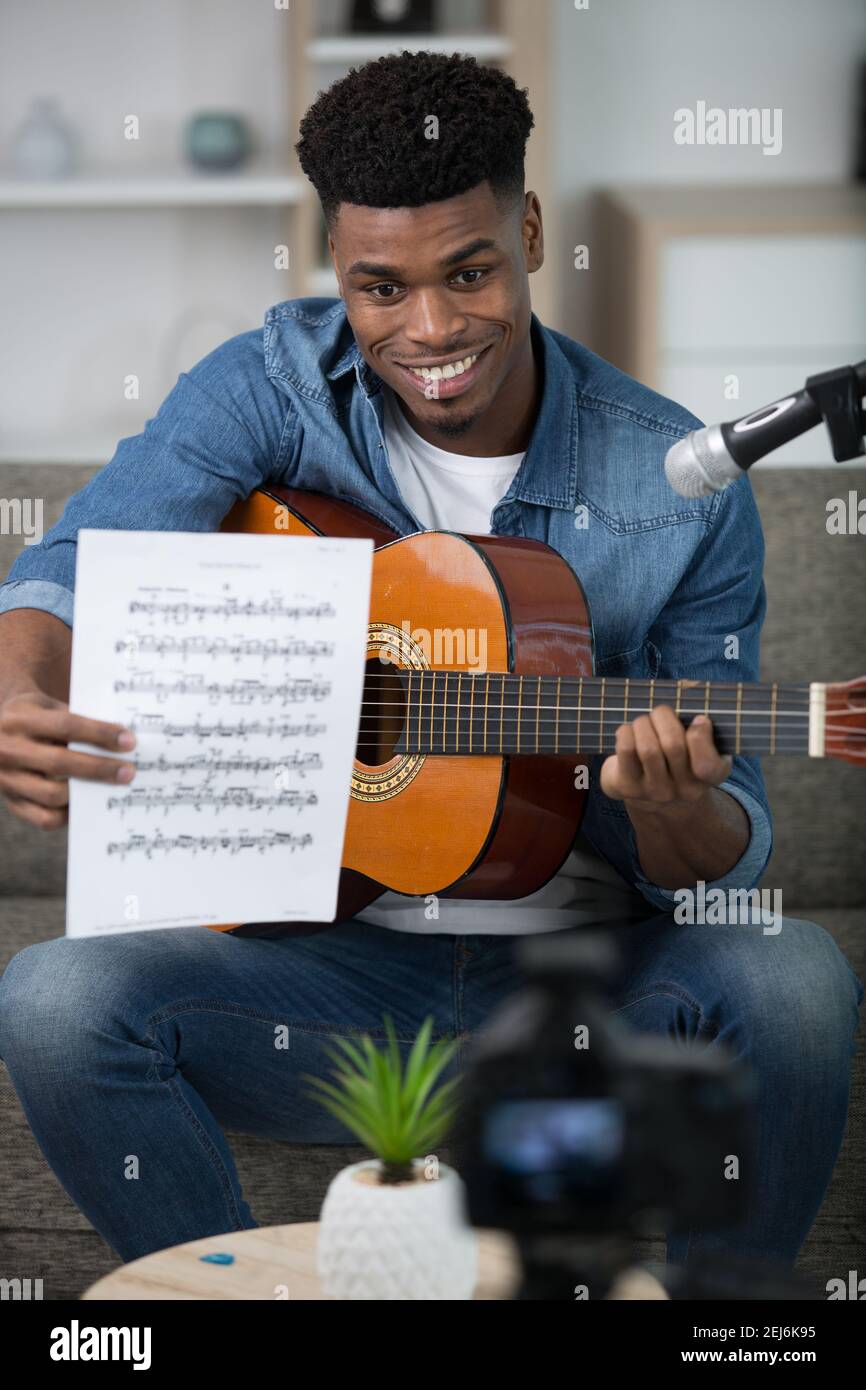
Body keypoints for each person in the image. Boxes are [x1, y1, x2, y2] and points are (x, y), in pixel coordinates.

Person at [0, 52, 860, 1274]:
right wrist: (19, 689)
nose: (431, 329)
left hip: (584, 984)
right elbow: (81, 550)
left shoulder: (678, 481)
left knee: (797, 981)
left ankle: (719, 1336)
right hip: (322, 977)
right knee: (51, 997)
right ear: (335, 274)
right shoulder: (269, 386)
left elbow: (722, 852)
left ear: (528, 229)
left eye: (468, 272)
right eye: (378, 288)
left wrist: (670, 812)